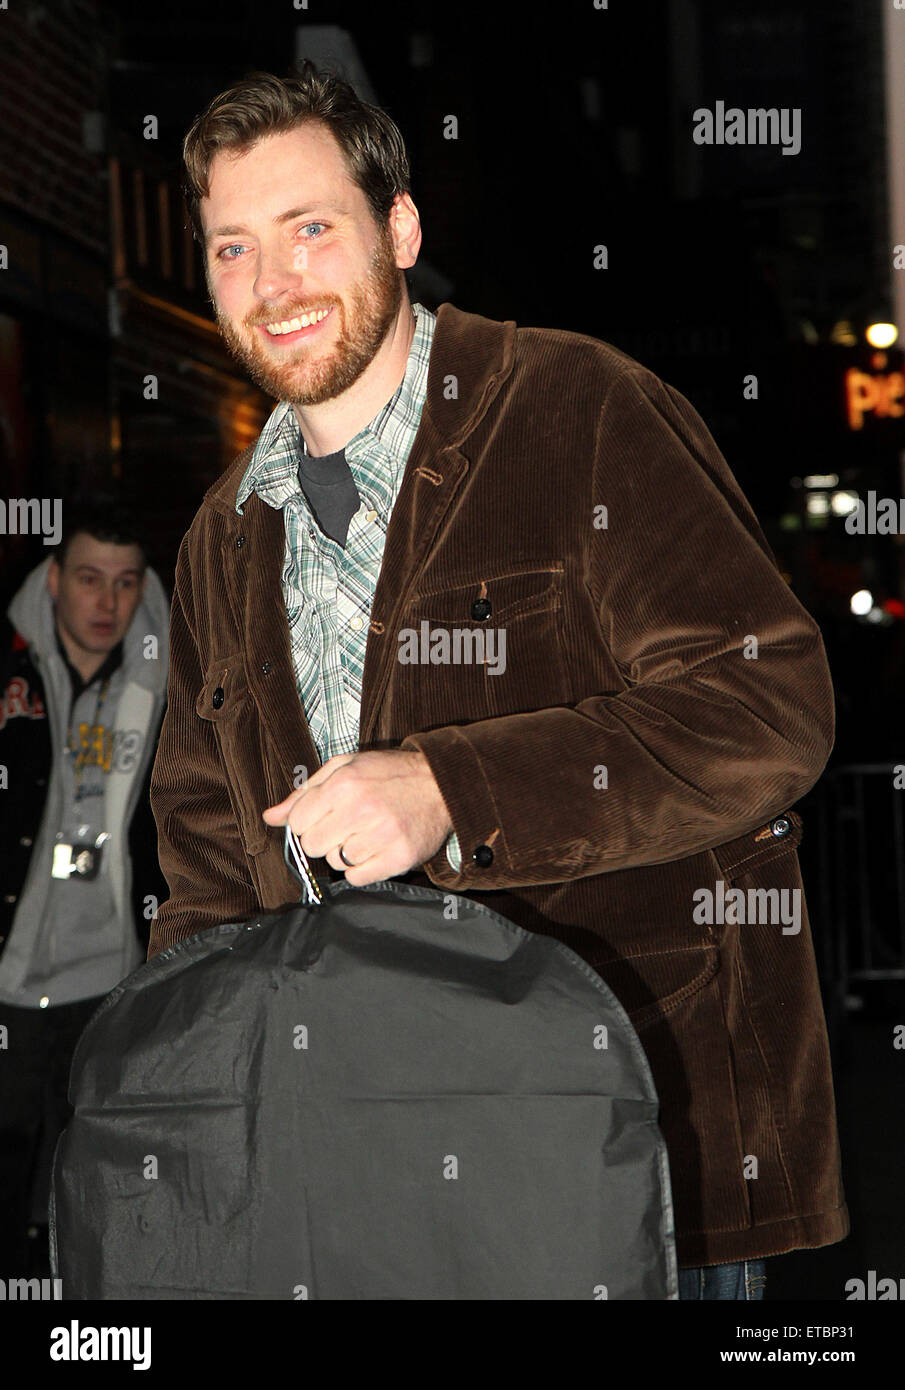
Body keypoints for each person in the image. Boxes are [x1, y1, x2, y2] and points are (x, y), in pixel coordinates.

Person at [148, 64, 848, 1298]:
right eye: (232, 248)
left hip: (619, 1150)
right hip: (364, 1171)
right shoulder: (221, 533)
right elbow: (207, 866)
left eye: (312, 228)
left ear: (400, 231)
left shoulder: (574, 407)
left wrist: (451, 791)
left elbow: (769, 705)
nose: (275, 283)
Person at [0, 502, 169, 1271]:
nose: (107, 602)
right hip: (8, 981)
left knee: (77, 1189)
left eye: (126, 582)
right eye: (90, 579)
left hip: (107, 980)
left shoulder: (163, 683)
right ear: (54, 578)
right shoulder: (7, 672)